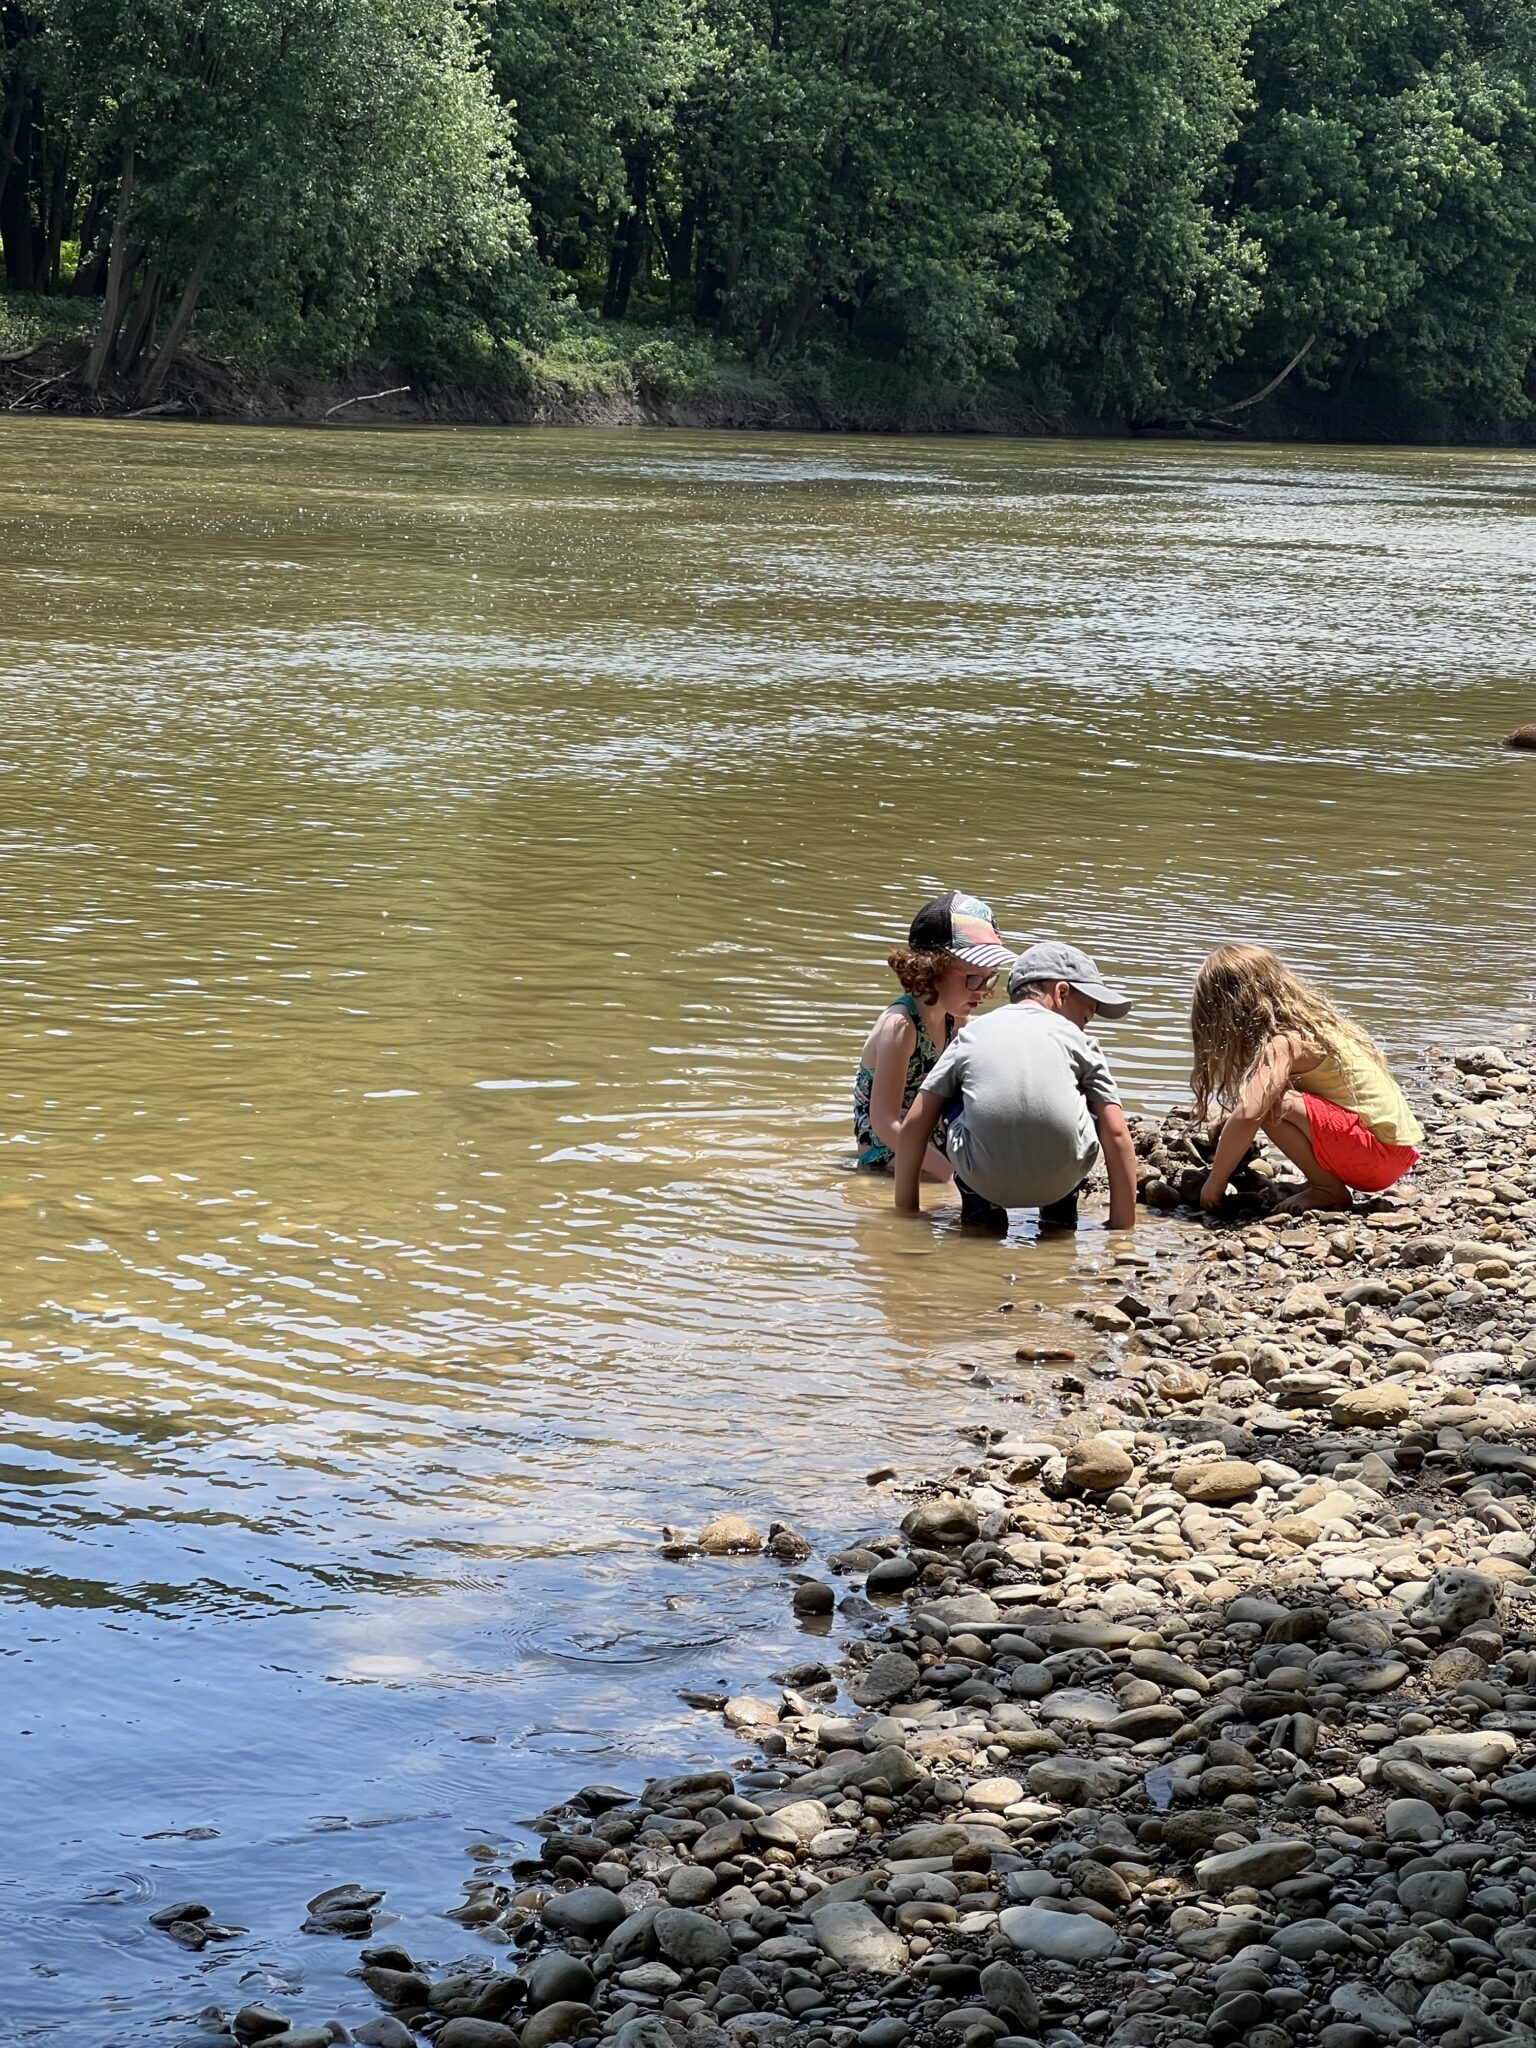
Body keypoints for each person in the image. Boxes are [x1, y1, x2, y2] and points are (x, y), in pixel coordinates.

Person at [893, 940, 1138, 1232]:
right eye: (1085, 1018)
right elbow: (1117, 1132)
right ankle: (1058, 1219)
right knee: (1085, 1101)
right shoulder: (1081, 1041)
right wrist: (1123, 1229)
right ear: (1061, 993)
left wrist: (907, 1213)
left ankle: (982, 1214)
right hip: (1060, 1180)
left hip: (983, 1176)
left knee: (955, 1095)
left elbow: (914, 1125)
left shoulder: (972, 1034)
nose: (1083, 1028)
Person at [1191, 943, 1423, 1215]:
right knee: (1265, 1100)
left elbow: (1249, 1113)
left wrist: (1215, 1182)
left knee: (1270, 1104)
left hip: (1375, 1158)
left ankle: (1327, 1188)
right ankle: (1324, 1181)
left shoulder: (1285, 1043)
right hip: (1394, 1153)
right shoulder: (1318, 1026)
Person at [853, 891, 1016, 1177]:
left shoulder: (958, 1019)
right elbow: (884, 1122)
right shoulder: (900, 1026)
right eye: (974, 979)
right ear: (932, 968)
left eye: (991, 977)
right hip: (888, 1153)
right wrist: (950, 1175)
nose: (985, 991)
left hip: (934, 1139)